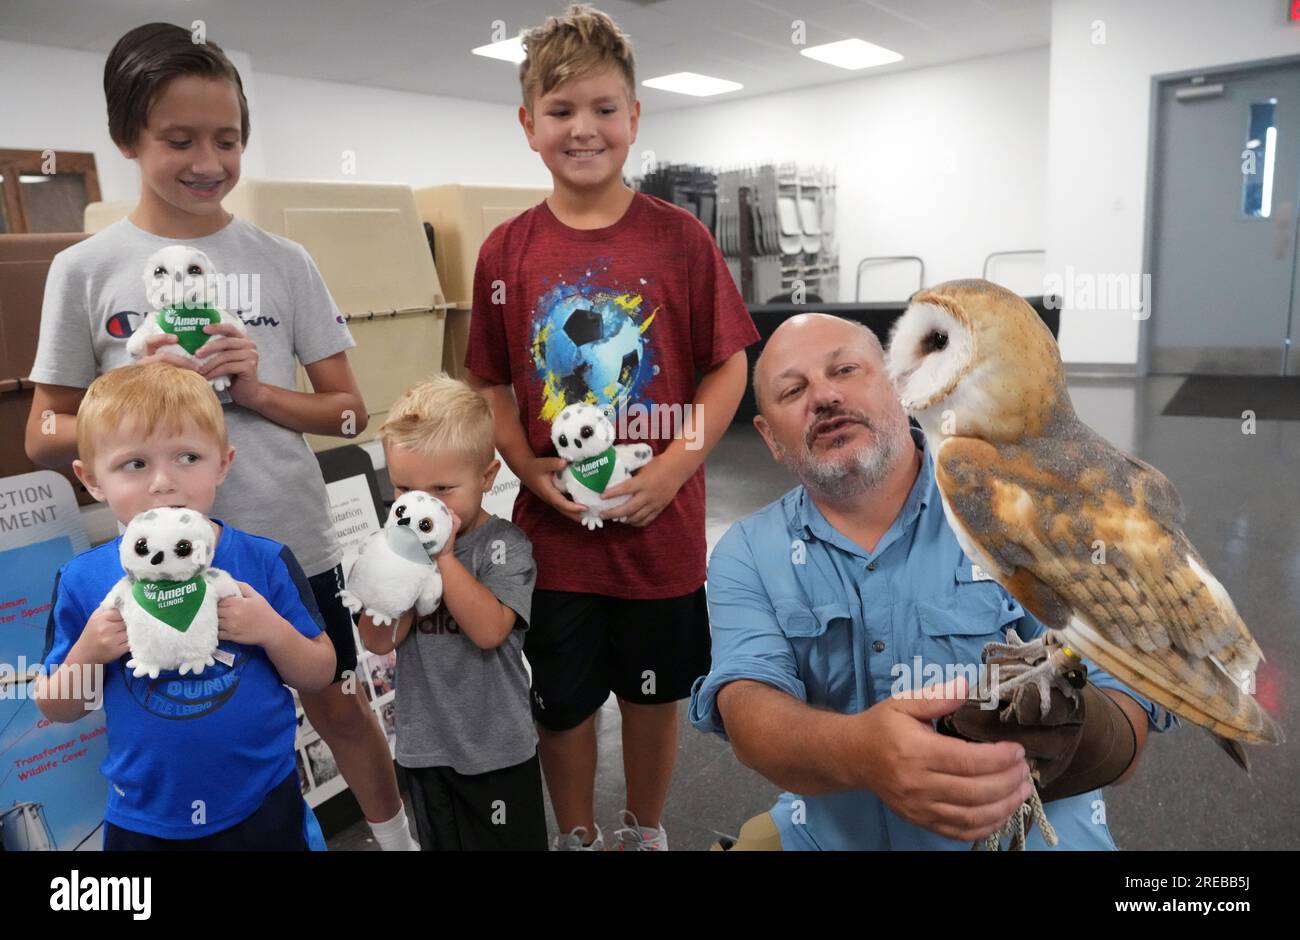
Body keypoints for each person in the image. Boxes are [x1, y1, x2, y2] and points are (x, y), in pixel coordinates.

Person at [22, 22, 417, 850]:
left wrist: (257, 390)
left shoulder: (284, 260)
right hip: (156, 564)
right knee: (178, 711)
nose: (209, 161)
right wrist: (132, 394)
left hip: (286, 538)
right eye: (179, 139)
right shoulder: (85, 270)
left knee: (335, 702)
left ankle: (394, 840)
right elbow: (42, 434)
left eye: (228, 139)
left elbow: (351, 413)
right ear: (127, 137)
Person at [691, 313, 1176, 850]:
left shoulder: (1024, 513)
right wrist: (861, 752)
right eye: (793, 390)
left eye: (846, 370)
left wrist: (1070, 732)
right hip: (831, 833)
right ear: (770, 438)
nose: (825, 397)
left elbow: (1127, 703)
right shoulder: (748, 553)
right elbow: (748, 710)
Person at [464, 4, 759, 850]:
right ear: (528, 126)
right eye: (560, 112)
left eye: (602, 109)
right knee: (561, 701)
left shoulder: (681, 241)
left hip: (660, 535)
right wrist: (525, 467)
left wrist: (672, 470)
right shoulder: (504, 253)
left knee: (652, 695)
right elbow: (487, 377)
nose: (582, 129)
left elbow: (727, 364)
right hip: (554, 539)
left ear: (635, 118)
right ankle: (580, 836)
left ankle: (645, 830)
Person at [35, 362, 336, 849]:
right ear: (91, 479)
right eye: (135, 464)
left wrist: (270, 630)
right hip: (145, 816)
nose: (163, 483)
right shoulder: (84, 580)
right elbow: (57, 706)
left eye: (188, 457)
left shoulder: (264, 560)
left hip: (264, 804)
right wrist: (88, 651)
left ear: (223, 462)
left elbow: (321, 672)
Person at [354, 377, 546, 850]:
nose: (421, 505)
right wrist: (394, 570)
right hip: (426, 746)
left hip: (497, 748)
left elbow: (488, 630)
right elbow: (378, 641)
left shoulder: (505, 546)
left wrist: (442, 557)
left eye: (441, 489)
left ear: (487, 478)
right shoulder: (396, 547)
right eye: (404, 488)